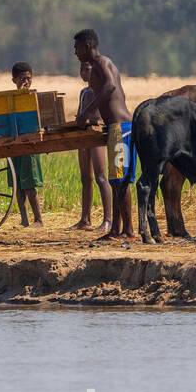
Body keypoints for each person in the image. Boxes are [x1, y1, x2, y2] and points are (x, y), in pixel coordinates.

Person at [72, 29, 134, 240]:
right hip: (116, 128)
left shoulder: (100, 62)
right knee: (117, 180)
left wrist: (88, 110)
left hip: (120, 127)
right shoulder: (99, 64)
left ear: (88, 45)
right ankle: (117, 229)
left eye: (77, 47)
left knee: (120, 179)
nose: (75, 52)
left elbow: (109, 86)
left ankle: (128, 231)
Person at [71, 60, 112, 233]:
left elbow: (102, 115)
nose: (83, 72)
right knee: (85, 179)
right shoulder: (84, 92)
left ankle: (108, 219)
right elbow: (80, 114)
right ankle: (84, 219)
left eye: (87, 69)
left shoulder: (100, 91)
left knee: (101, 178)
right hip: (84, 137)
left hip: (96, 136)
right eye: (81, 69)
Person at [8, 62, 45, 227]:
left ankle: (38, 219)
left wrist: (25, 93)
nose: (26, 82)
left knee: (30, 184)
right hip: (14, 145)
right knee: (18, 185)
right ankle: (24, 219)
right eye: (22, 79)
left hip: (29, 145)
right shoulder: (10, 99)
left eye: (29, 78)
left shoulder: (32, 97)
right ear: (14, 80)